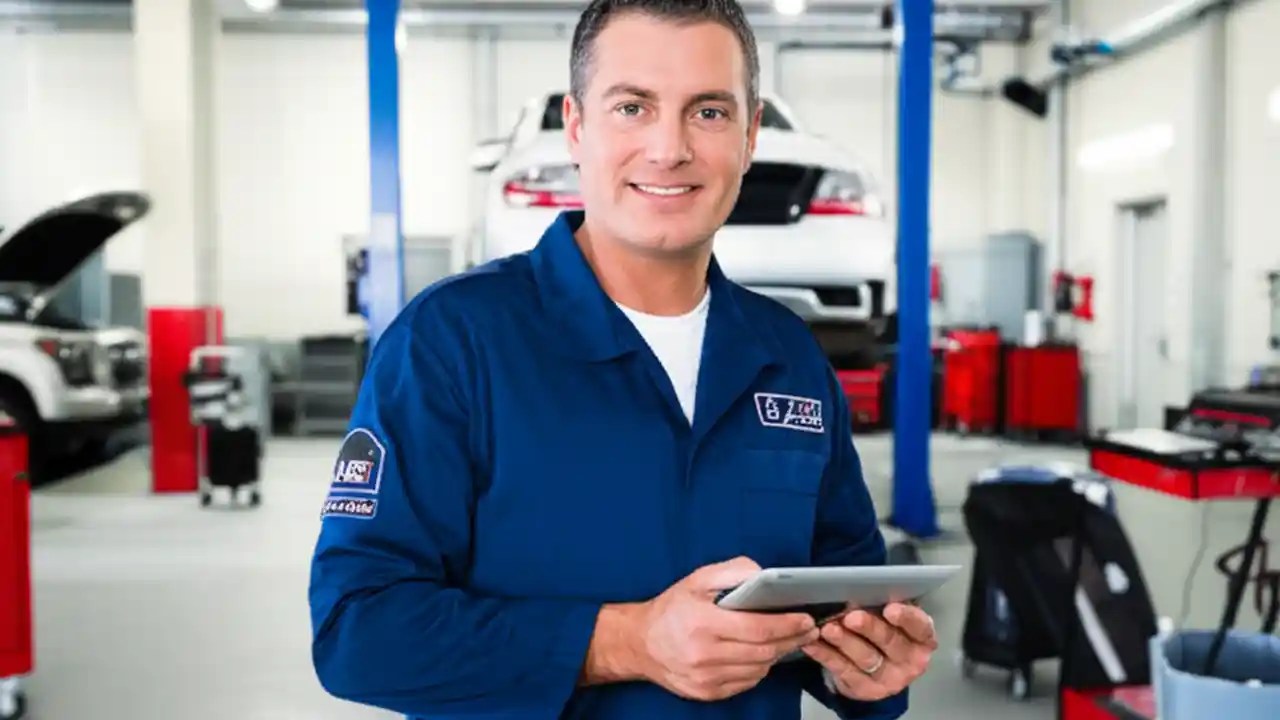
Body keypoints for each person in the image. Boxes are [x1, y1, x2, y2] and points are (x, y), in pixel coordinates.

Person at [308, 1, 937, 718]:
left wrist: (865, 672)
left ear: (750, 133)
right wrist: (624, 642)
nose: (669, 149)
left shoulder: (787, 356)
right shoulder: (452, 343)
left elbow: (842, 602)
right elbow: (358, 633)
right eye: (633, 107)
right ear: (577, 128)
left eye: (708, 112)